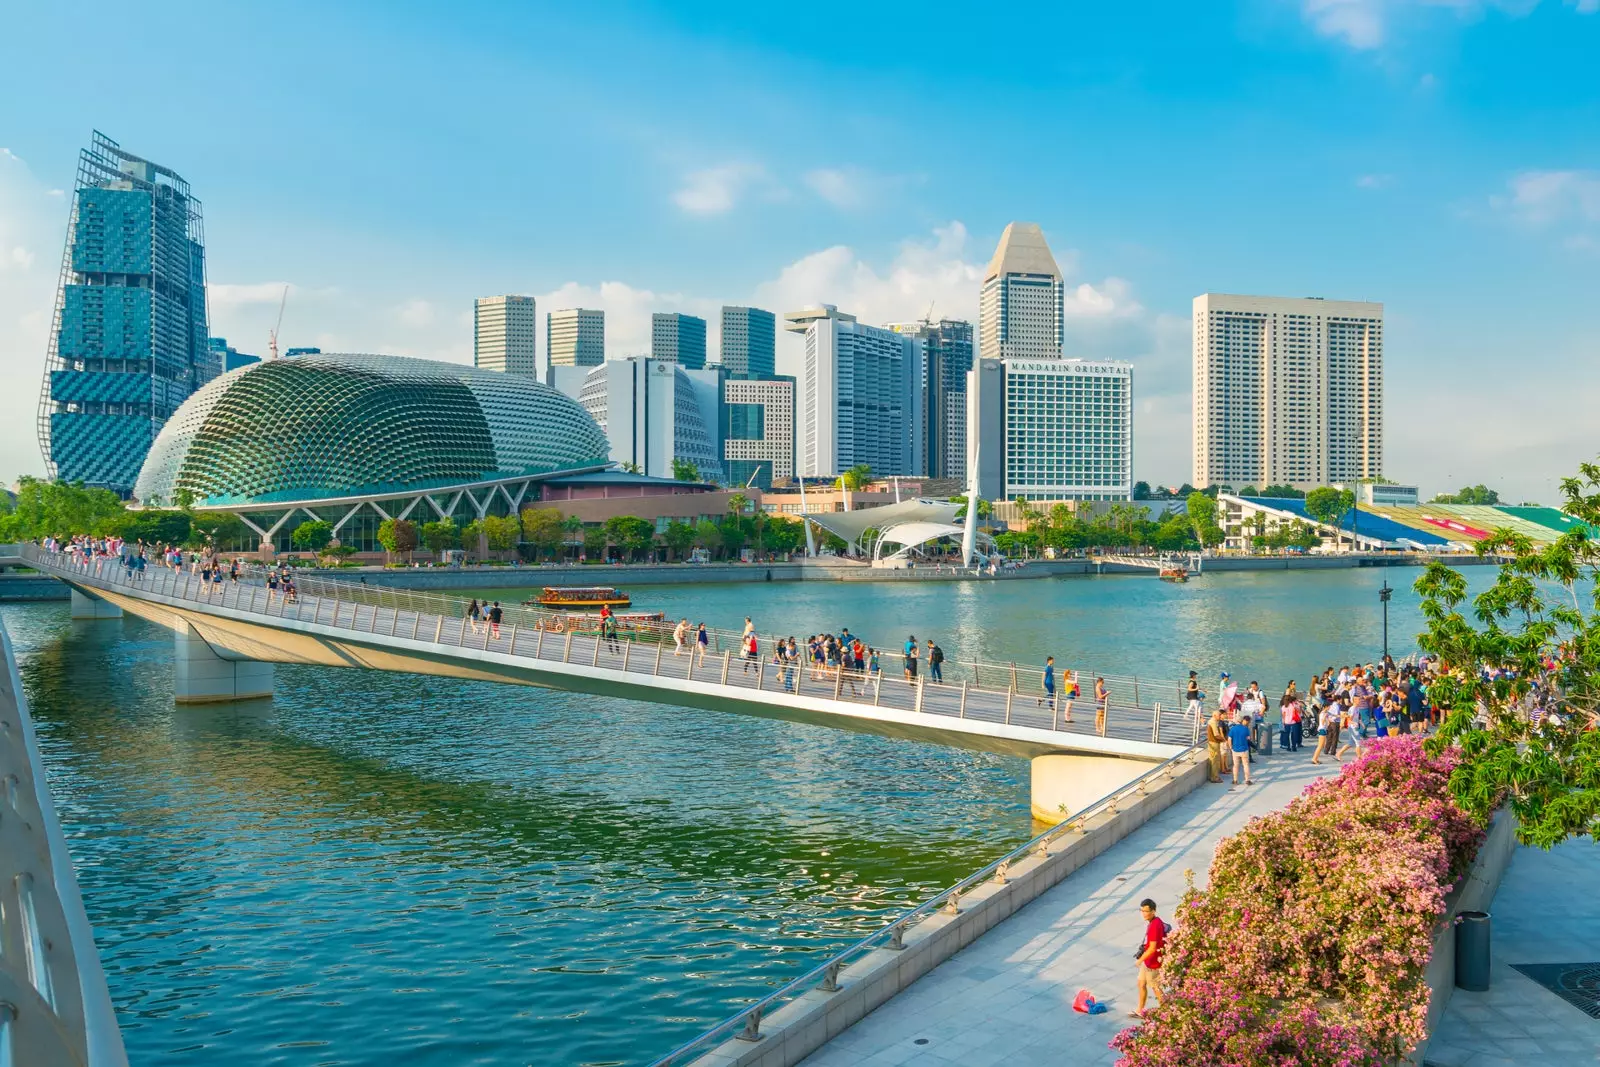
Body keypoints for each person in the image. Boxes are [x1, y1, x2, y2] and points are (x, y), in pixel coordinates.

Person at [1133, 898, 1167, 1017]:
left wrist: (1140, 960)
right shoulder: (1155, 921)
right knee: (1141, 983)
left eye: (1146, 911)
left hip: (1152, 963)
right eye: (1142, 911)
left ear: (1153, 911)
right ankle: (1140, 1010)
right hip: (1147, 961)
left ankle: (1167, 1013)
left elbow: (1152, 948)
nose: (1143, 913)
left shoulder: (1154, 926)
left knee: (1155, 987)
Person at [1228, 711, 1253, 787]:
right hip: (1244, 749)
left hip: (1235, 749)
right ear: (1241, 720)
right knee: (1246, 765)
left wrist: (1231, 747)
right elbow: (1248, 738)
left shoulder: (1232, 729)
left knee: (1235, 766)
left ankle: (1235, 780)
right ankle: (1247, 780)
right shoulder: (1245, 729)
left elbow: (1229, 739)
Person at [1205, 707, 1227, 783]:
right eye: (1219, 715)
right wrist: (1223, 739)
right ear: (1214, 715)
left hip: (1211, 742)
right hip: (1214, 743)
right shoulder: (1213, 722)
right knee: (1215, 760)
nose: (1220, 716)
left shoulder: (1210, 721)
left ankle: (1211, 776)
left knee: (1212, 759)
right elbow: (1216, 735)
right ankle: (1215, 777)